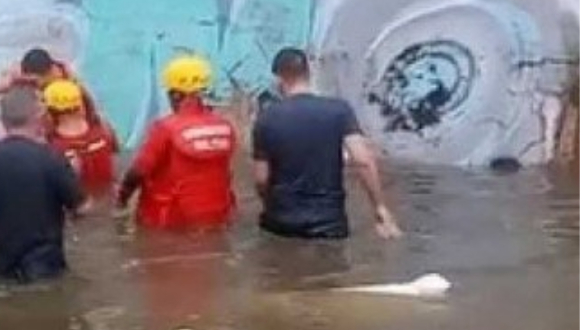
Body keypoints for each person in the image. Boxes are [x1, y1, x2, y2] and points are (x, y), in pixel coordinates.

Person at [252, 47, 402, 239]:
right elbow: (363, 161)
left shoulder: (267, 118)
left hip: (281, 223)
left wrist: (271, 206)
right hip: (328, 222)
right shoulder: (339, 110)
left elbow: (261, 179)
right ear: (308, 72)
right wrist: (379, 207)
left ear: (280, 77)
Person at [0, 87, 86, 282]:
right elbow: (81, 210)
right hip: (46, 269)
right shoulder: (52, 159)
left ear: (2, 121)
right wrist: (75, 175)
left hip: (1, 269)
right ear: (38, 118)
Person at [116, 55, 237, 230]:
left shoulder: (165, 128)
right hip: (217, 216)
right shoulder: (224, 127)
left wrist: (122, 200)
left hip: (170, 219)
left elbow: (138, 172)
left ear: (175, 94)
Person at [42, 79, 119, 192]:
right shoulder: (104, 129)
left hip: (76, 205)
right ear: (81, 103)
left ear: (49, 111)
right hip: (107, 200)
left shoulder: (52, 147)